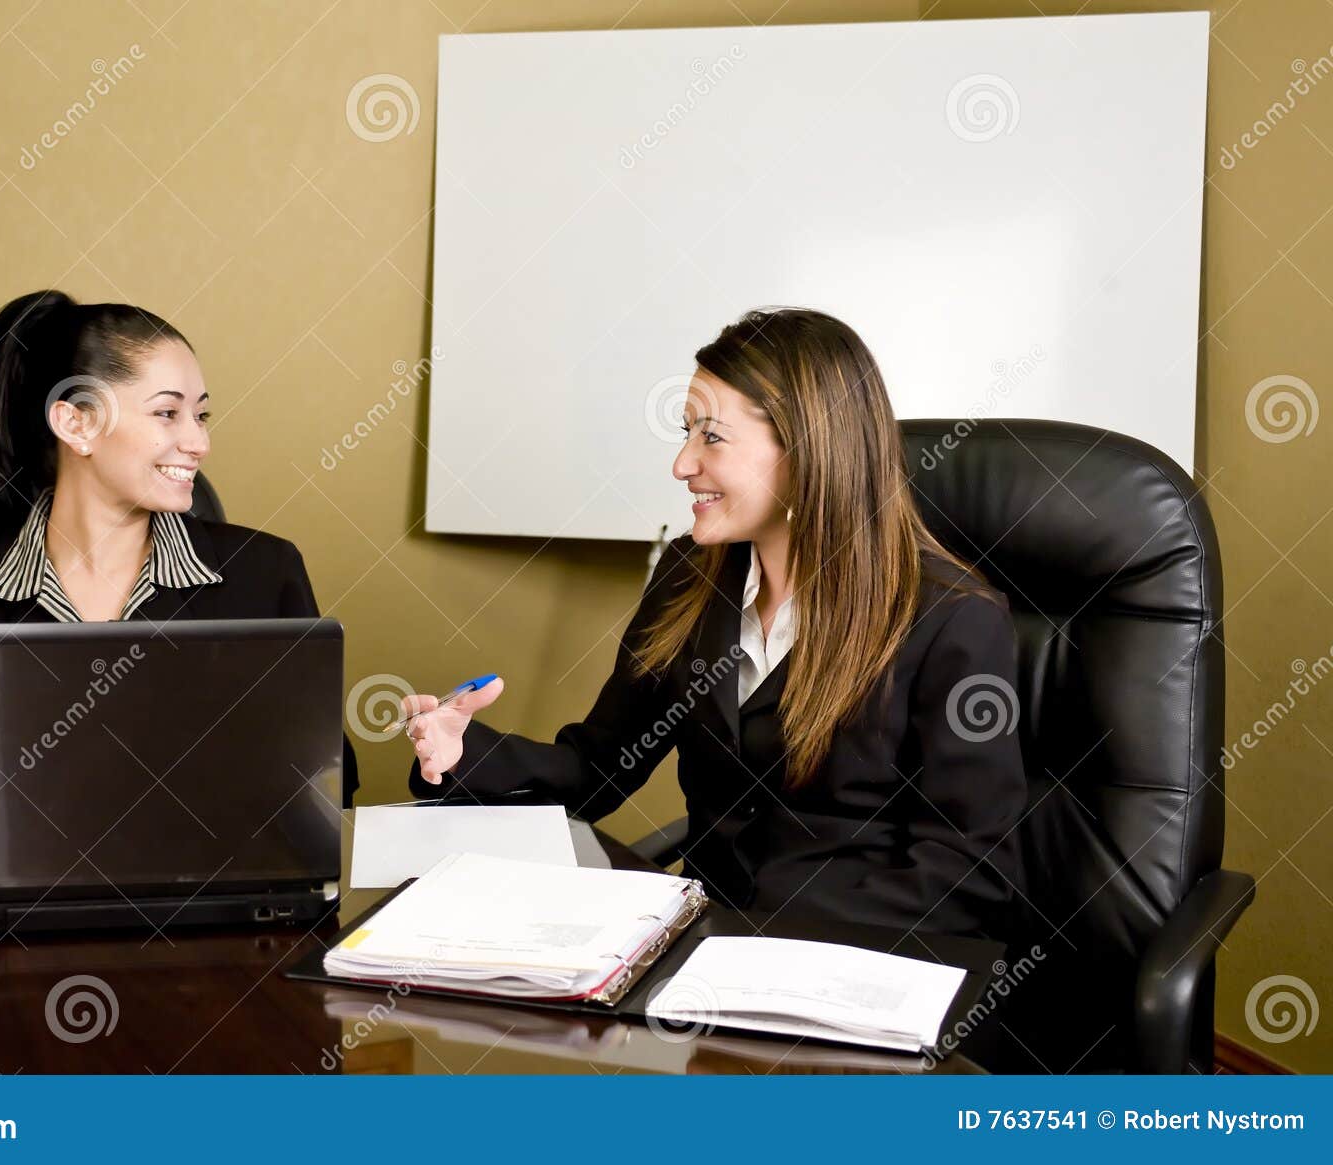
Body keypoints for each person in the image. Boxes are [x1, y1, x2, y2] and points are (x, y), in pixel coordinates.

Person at [403, 308, 1025, 939]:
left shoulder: (952, 619)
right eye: (686, 433)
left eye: (712, 438)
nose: (682, 464)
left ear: (807, 449)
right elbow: (599, 767)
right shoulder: (690, 576)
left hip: (851, 962)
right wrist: (460, 754)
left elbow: (969, 873)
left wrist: (756, 937)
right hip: (697, 956)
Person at [0, 290, 356, 862]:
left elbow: (328, 781)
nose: (198, 443)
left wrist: (428, 759)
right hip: (15, 903)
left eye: (200, 415)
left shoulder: (263, 574)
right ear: (76, 422)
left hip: (207, 898)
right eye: (167, 413)